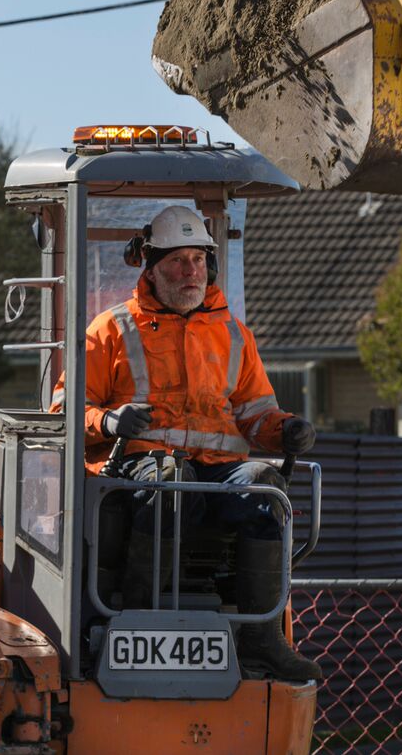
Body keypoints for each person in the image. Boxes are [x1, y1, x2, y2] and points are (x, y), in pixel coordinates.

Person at [51, 205, 321, 681]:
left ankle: (260, 636)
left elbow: (255, 413)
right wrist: (109, 421)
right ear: (152, 269)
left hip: (218, 469)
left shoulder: (234, 334)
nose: (190, 271)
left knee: (264, 485)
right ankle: (139, 625)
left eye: (198, 259)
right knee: (171, 483)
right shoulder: (111, 328)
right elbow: (64, 410)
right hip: (137, 469)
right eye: (177, 260)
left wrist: (286, 430)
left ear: (210, 266)